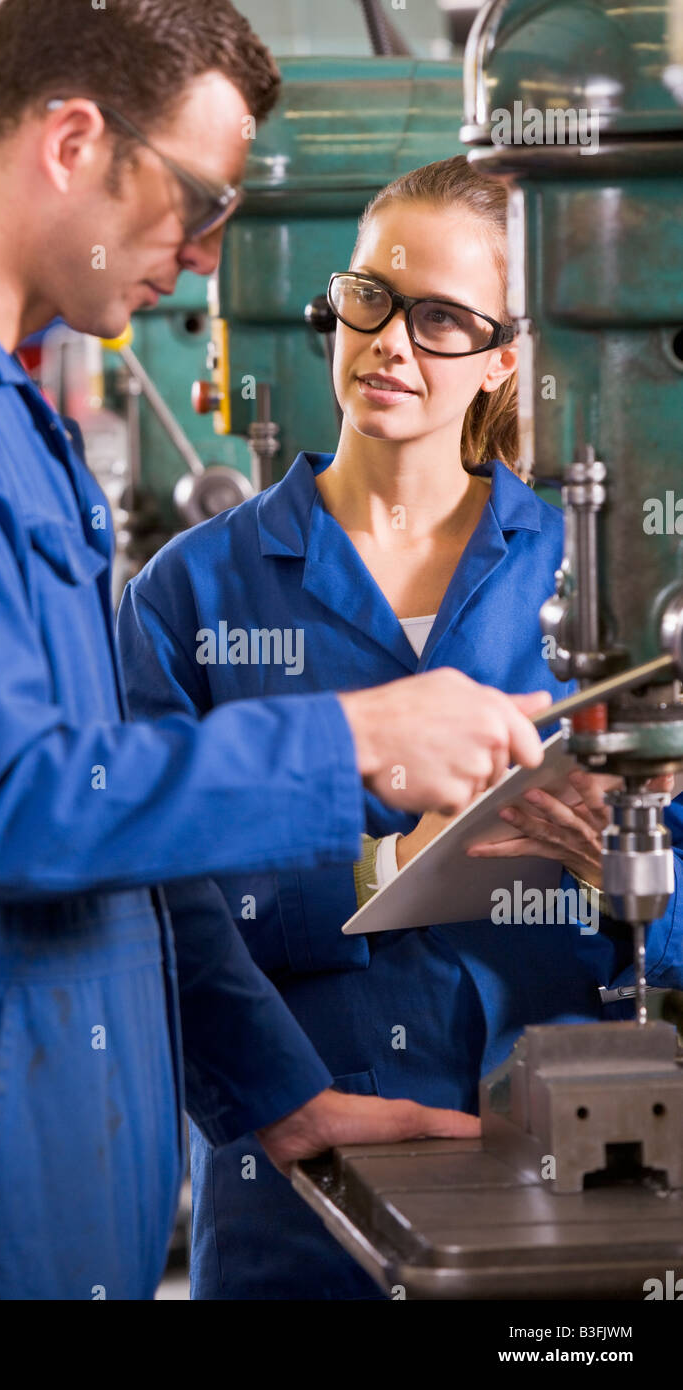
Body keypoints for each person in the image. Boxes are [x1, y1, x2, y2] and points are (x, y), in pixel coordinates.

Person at [0, 4, 549, 1301]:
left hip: (53, 1182)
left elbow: (117, 822)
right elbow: (2, 804)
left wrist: (279, 1098)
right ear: (73, 141)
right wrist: (359, 737)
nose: (209, 255)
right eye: (198, 199)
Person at [116, 155, 683, 1300]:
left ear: (509, 355)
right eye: (368, 298)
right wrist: (382, 864)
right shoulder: (193, 596)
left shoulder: (598, 582)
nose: (387, 343)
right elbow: (146, 898)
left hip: (563, 1162)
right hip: (295, 1170)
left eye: (440, 319)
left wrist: (649, 883)